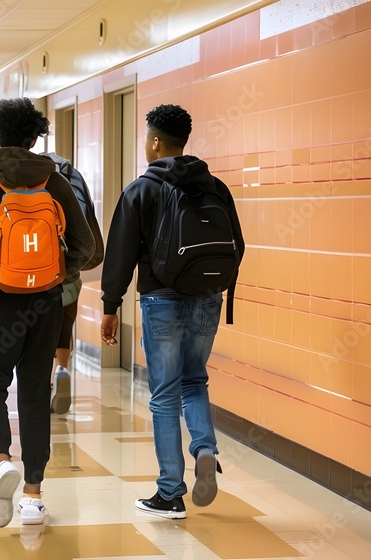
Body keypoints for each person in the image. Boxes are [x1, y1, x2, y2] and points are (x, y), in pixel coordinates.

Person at [0, 98, 95, 527]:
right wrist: (51, 271)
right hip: (45, 300)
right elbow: (85, 248)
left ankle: (0, 462)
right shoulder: (54, 181)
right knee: (33, 392)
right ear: (34, 141)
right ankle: (32, 495)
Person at [100, 104, 244, 519]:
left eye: (147, 137)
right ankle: (205, 448)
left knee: (164, 396)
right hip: (209, 297)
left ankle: (170, 492)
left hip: (161, 300)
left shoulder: (141, 189)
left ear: (156, 141)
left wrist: (111, 307)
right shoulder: (215, 186)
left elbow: (120, 256)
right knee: (195, 381)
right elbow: (238, 244)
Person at [41, 153, 105, 413]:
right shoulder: (73, 178)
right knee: (64, 327)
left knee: (40, 335)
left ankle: (44, 385)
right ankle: (63, 370)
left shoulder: (30, 178)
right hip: (69, 271)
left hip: (36, 273)